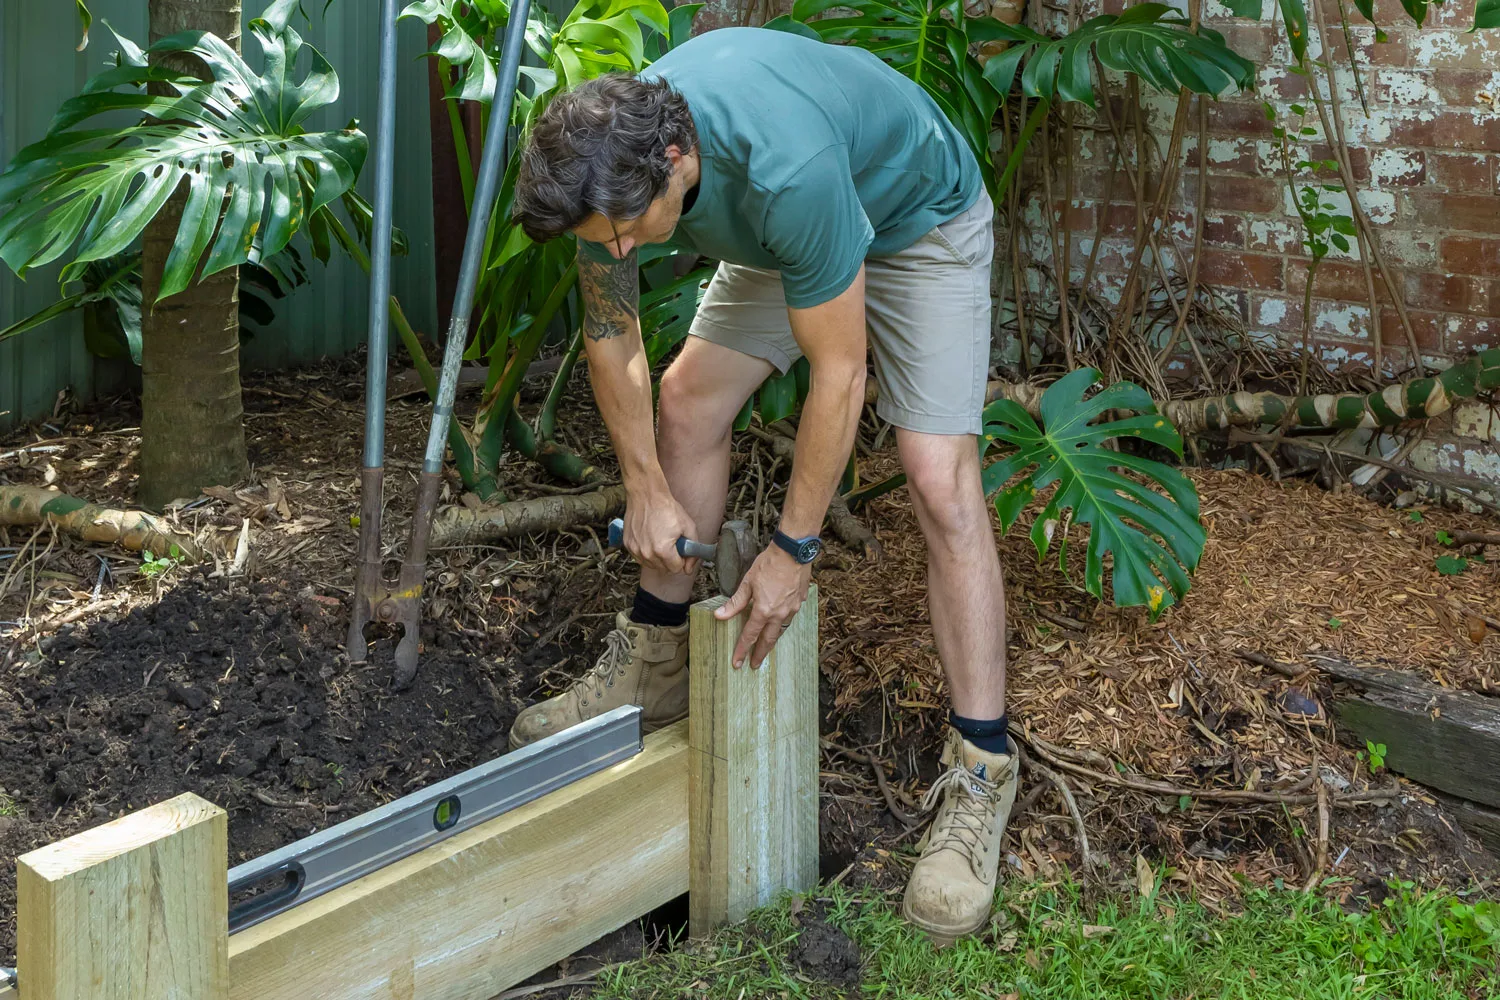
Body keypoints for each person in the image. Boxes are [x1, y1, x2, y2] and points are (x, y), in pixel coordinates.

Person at [507, 25, 1015, 944]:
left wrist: (792, 551)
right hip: (797, 237)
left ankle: (982, 770)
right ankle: (657, 657)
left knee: (938, 478)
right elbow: (612, 334)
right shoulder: (607, 164)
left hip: (919, 219)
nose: (617, 248)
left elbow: (840, 373)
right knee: (687, 402)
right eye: (602, 238)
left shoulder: (785, 169)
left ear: (675, 160)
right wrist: (644, 488)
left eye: (624, 231)